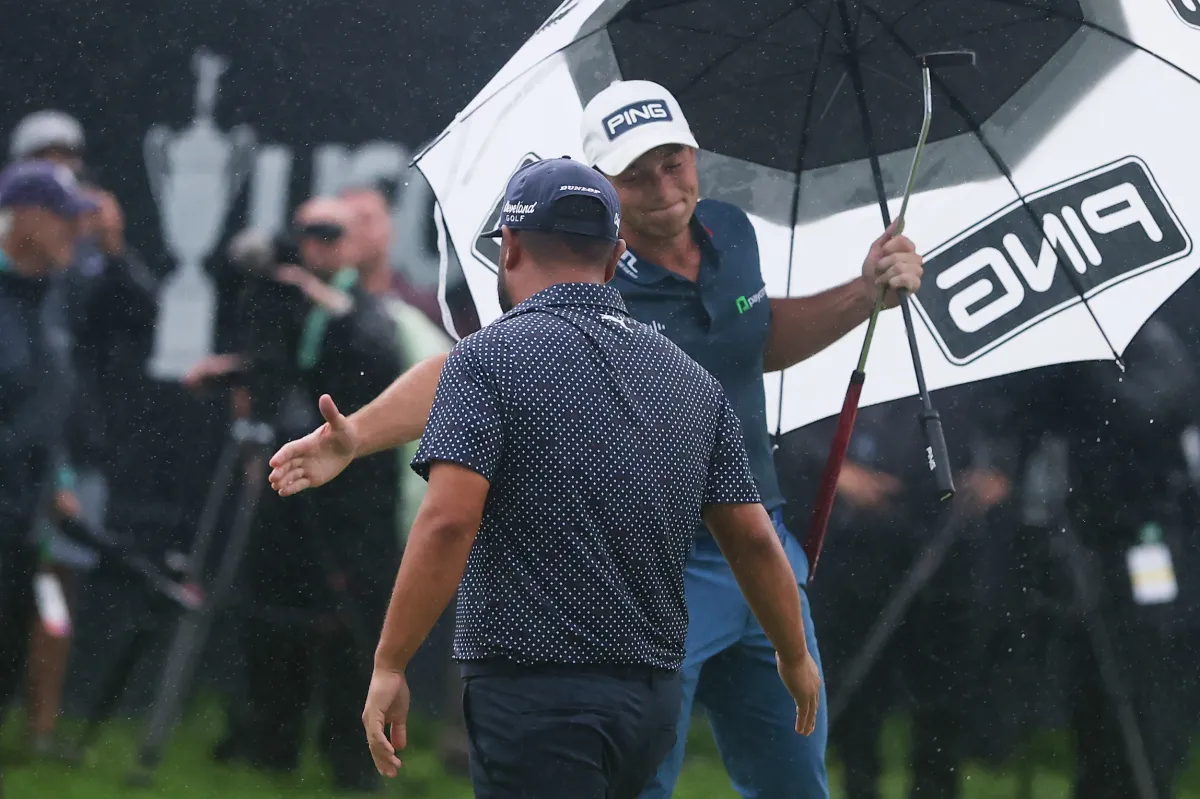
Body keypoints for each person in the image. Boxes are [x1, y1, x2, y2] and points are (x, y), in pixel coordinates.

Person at [268, 80, 923, 798]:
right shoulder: (589, 272)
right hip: (659, 564)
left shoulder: (730, 230)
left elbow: (753, 337)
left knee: (795, 783)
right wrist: (357, 434)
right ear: (605, 189)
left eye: (673, 162)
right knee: (636, 783)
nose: (664, 189)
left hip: (756, 539)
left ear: (695, 154)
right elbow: (476, 365)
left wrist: (864, 293)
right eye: (636, 176)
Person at [350, 157, 819, 798]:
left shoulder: (485, 358)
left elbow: (449, 521)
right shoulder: (691, 380)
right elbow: (757, 540)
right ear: (616, 255)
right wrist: (794, 654)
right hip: (649, 706)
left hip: (533, 696)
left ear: (510, 247)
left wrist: (390, 662)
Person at [8, 109, 159, 760]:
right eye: (46, 158)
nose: (63, 170)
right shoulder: (26, 265)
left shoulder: (87, 259)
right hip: (21, 468)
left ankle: (40, 727)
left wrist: (116, 248)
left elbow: (145, 318)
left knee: (54, 589)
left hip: (66, 457)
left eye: (70, 158)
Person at [0, 159, 96, 794]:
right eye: (64, 217)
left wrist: (57, 477)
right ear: (25, 217)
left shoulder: (53, 296)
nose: (74, 230)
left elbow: (49, 404)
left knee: (12, 646)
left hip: (23, 513)